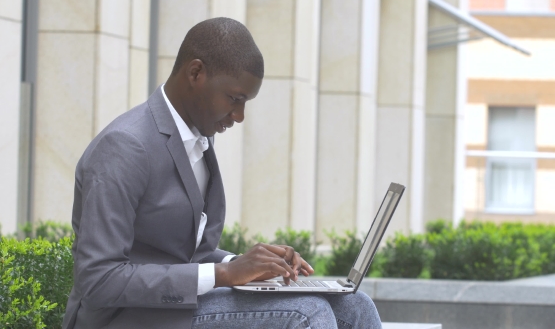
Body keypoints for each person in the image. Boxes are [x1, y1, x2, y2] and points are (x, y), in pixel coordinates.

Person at [62, 17, 381, 329]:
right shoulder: (125, 146)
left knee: (354, 305)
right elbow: (98, 279)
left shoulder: (197, 138)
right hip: (127, 317)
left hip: (176, 308)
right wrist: (222, 275)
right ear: (196, 72)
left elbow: (183, 254)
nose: (239, 116)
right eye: (235, 99)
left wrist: (246, 264)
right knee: (305, 313)